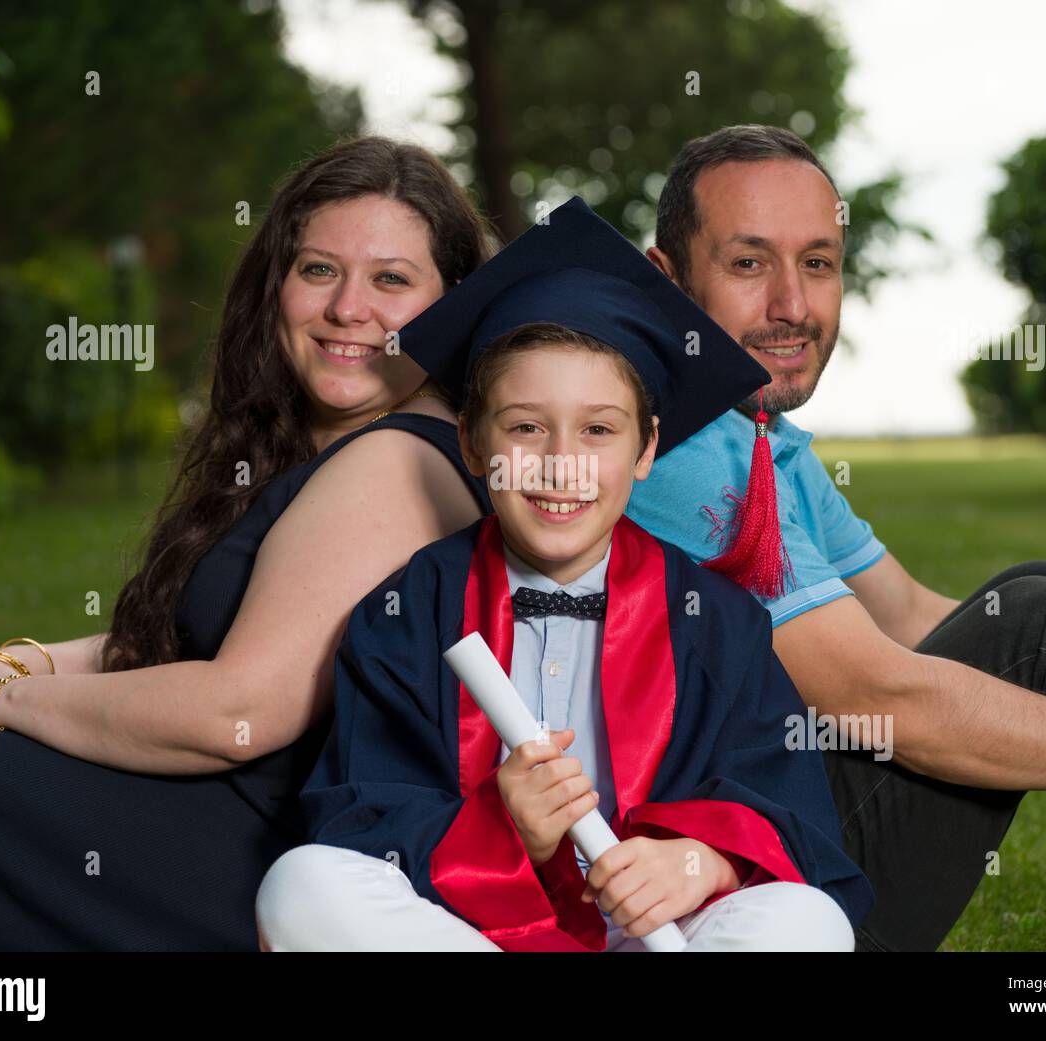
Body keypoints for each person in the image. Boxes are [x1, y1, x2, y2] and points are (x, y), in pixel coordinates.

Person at [0, 136, 495, 951]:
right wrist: (13, 663)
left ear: (454, 305)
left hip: (252, 856)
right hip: (198, 811)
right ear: (278, 284)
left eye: (392, 279)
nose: (349, 308)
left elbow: (236, 712)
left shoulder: (396, 460)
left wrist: (2, 703)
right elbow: (178, 642)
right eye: (320, 269)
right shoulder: (318, 447)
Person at [624, 123, 1046, 951]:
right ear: (666, 280)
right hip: (742, 890)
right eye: (749, 263)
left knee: (1039, 603)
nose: (793, 304)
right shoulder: (671, 452)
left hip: (786, 832)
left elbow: (913, 616)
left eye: (817, 262)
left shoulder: (756, 434)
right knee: (1038, 615)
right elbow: (880, 697)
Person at [254, 196, 872, 952]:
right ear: (474, 444)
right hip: (467, 926)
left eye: (599, 430)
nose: (561, 464)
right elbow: (356, 812)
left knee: (807, 924)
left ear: (646, 449)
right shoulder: (413, 604)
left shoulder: (715, 618)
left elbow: (783, 811)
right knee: (304, 884)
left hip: (656, 930)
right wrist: (498, 822)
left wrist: (697, 860)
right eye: (524, 427)